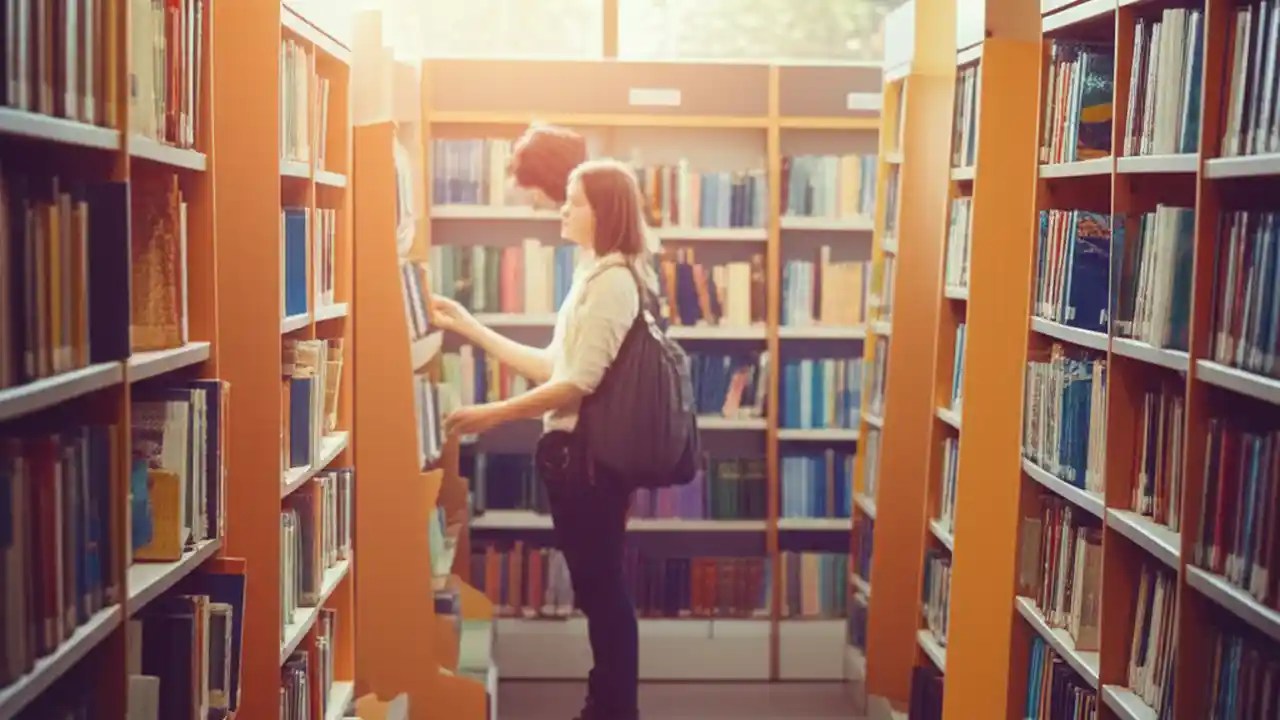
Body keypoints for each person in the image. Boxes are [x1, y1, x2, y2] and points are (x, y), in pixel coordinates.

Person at [431, 130, 649, 720]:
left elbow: (577, 385)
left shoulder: (613, 283)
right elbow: (554, 366)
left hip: (591, 464)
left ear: (602, 212)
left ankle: (610, 711)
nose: (562, 208)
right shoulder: (592, 276)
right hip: (575, 459)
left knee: (603, 593)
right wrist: (471, 327)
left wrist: (490, 415)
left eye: (573, 202)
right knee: (597, 591)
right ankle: (605, 707)